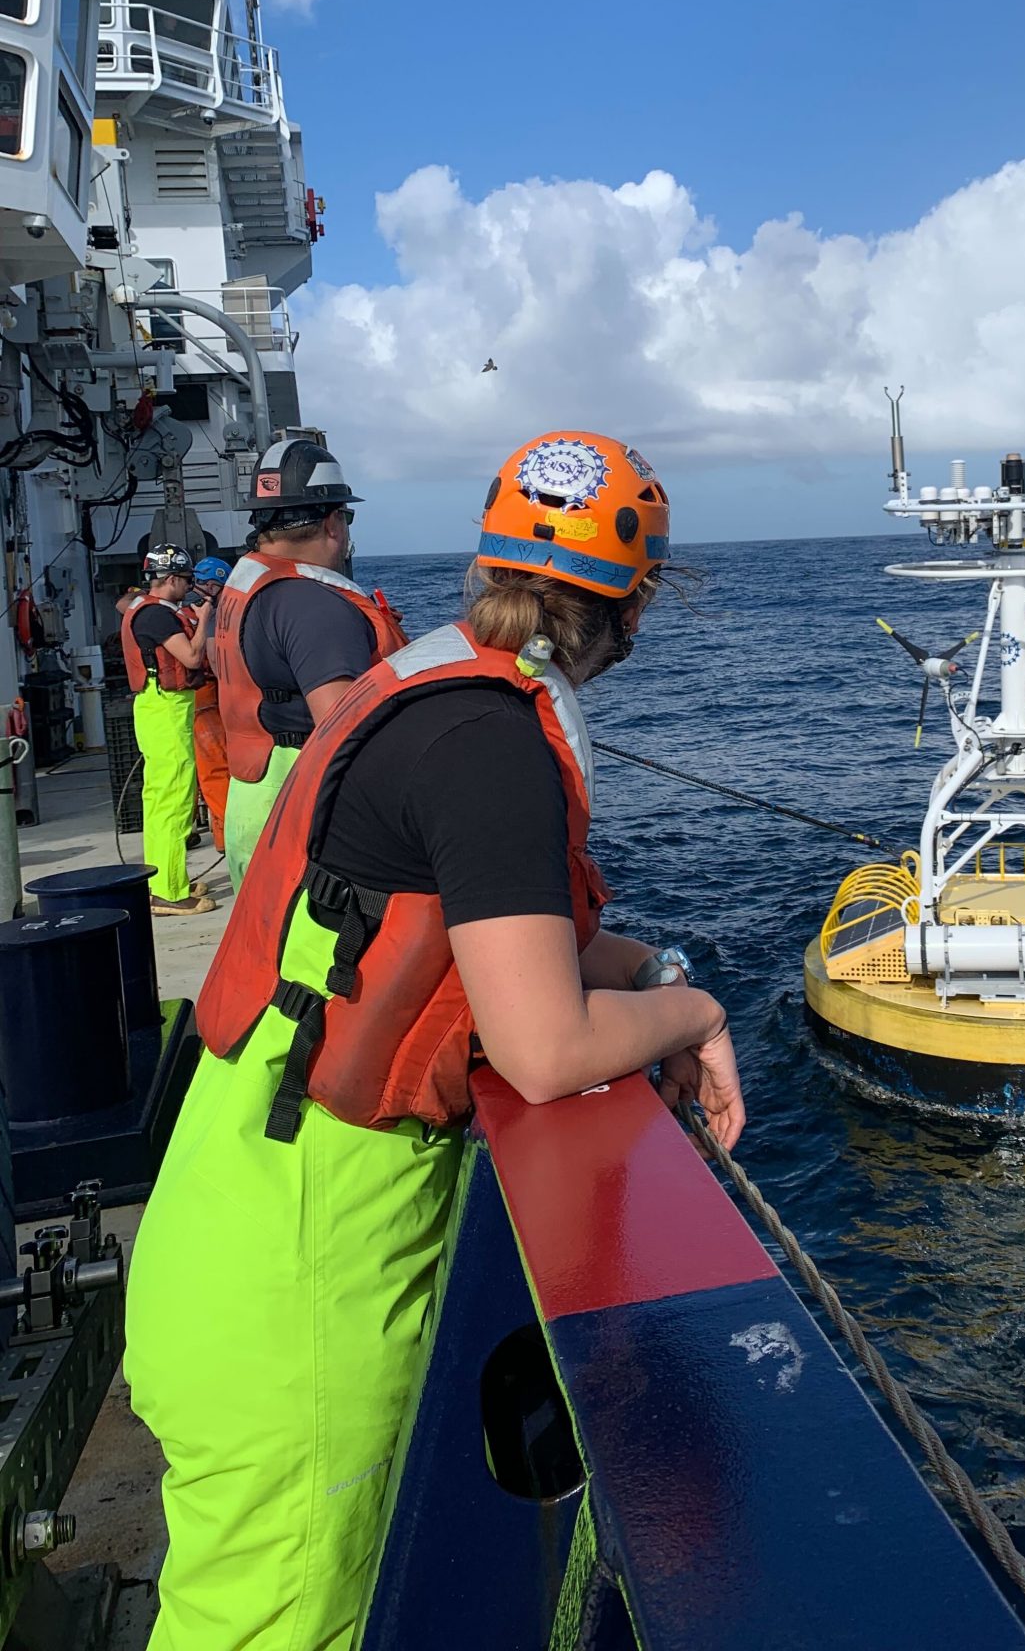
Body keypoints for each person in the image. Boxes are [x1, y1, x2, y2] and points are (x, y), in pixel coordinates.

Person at [124, 430, 744, 1648]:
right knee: (277, 1623)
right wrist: (699, 1011)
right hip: (302, 1270)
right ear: (625, 602)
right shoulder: (496, 748)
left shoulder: (436, 694)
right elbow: (544, 1046)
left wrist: (649, 970)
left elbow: (478, 952)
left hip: (245, 1197)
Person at [213, 437, 405, 887]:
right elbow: (343, 727)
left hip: (254, 800)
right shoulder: (312, 604)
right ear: (335, 521)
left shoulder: (246, 585)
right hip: (301, 811)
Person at [121, 546, 213, 917]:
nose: (190, 586)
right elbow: (191, 658)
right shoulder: (158, 616)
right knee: (174, 800)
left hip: (158, 706)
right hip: (165, 708)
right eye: (187, 580)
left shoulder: (143, 608)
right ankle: (171, 894)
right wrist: (204, 619)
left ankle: (164, 880)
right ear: (172, 579)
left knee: (160, 800)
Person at [187, 557, 231, 854]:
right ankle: (227, 837)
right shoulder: (209, 612)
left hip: (183, 703)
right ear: (215, 584)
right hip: (207, 700)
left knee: (191, 773)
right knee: (218, 770)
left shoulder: (173, 608)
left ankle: (189, 830)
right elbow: (216, 661)